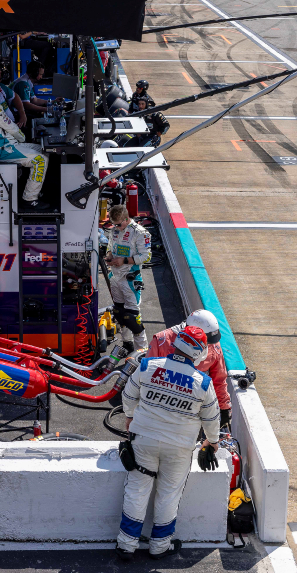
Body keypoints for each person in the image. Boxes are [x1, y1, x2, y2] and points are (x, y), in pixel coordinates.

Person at [117, 325, 220, 561]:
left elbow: (128, 395)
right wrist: (212, 442)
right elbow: (212, 419)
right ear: (199, 352)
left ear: (176, 343)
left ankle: (126, 545)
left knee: (137, 489)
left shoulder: (147, 366)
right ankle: (159, 546)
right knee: (168, 495)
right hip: (179, 448)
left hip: (143, 440)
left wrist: (130, 417)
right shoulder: (203, 383)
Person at [0, 84, 50, 211]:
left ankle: (33, 188)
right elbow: (11, 127)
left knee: (43, 150)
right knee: (41, 160)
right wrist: (23, 138)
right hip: (3, 149)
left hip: (0, 147)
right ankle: (30, 199)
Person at [147, 309, 231, 428]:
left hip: (192, 410)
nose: (208, 345)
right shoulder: (162, 341)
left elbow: (219, 380)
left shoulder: (214, 347)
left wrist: (224, 408)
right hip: (161, 406)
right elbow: (146, 376)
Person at [105, 204, 151, 351]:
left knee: (132, 317)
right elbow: (110, 247)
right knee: (119, 313)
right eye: (114, 224)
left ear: (126, 219)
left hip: (130, 279)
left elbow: (146, 256)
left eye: (118, 224)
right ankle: (127, 343)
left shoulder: (140, 233)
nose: (116, 227)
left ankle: (142, 351)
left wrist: (124, 260)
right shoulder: (114, 230)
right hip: (115, 277)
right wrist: (109, 256)